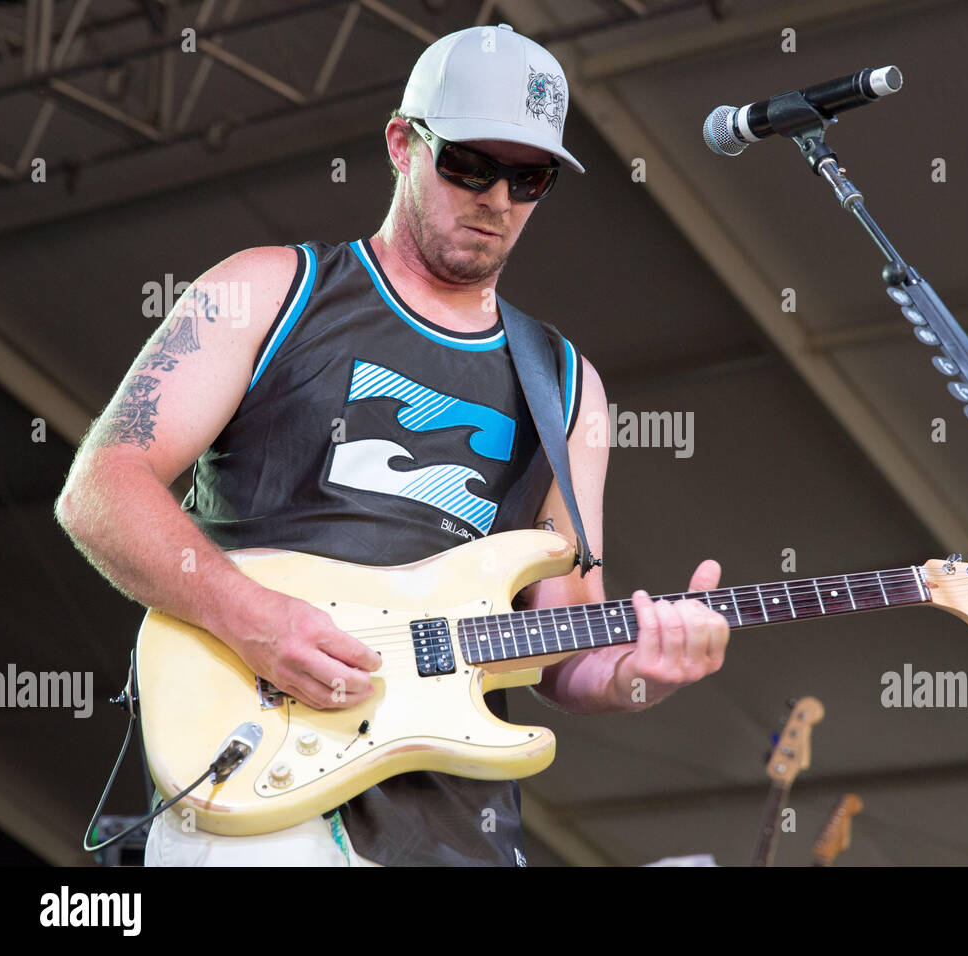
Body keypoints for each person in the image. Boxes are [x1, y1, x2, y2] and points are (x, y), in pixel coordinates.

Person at [55, 24, 730, 866]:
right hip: (258, 788)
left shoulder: (566, 382)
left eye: (529, 177)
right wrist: (254, 619)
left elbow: (567, 654)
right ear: (402, 144)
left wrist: (645, 670)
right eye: (471, 165)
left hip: (456, 830)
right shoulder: (271, 289)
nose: (497, 199)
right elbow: (101, 486)